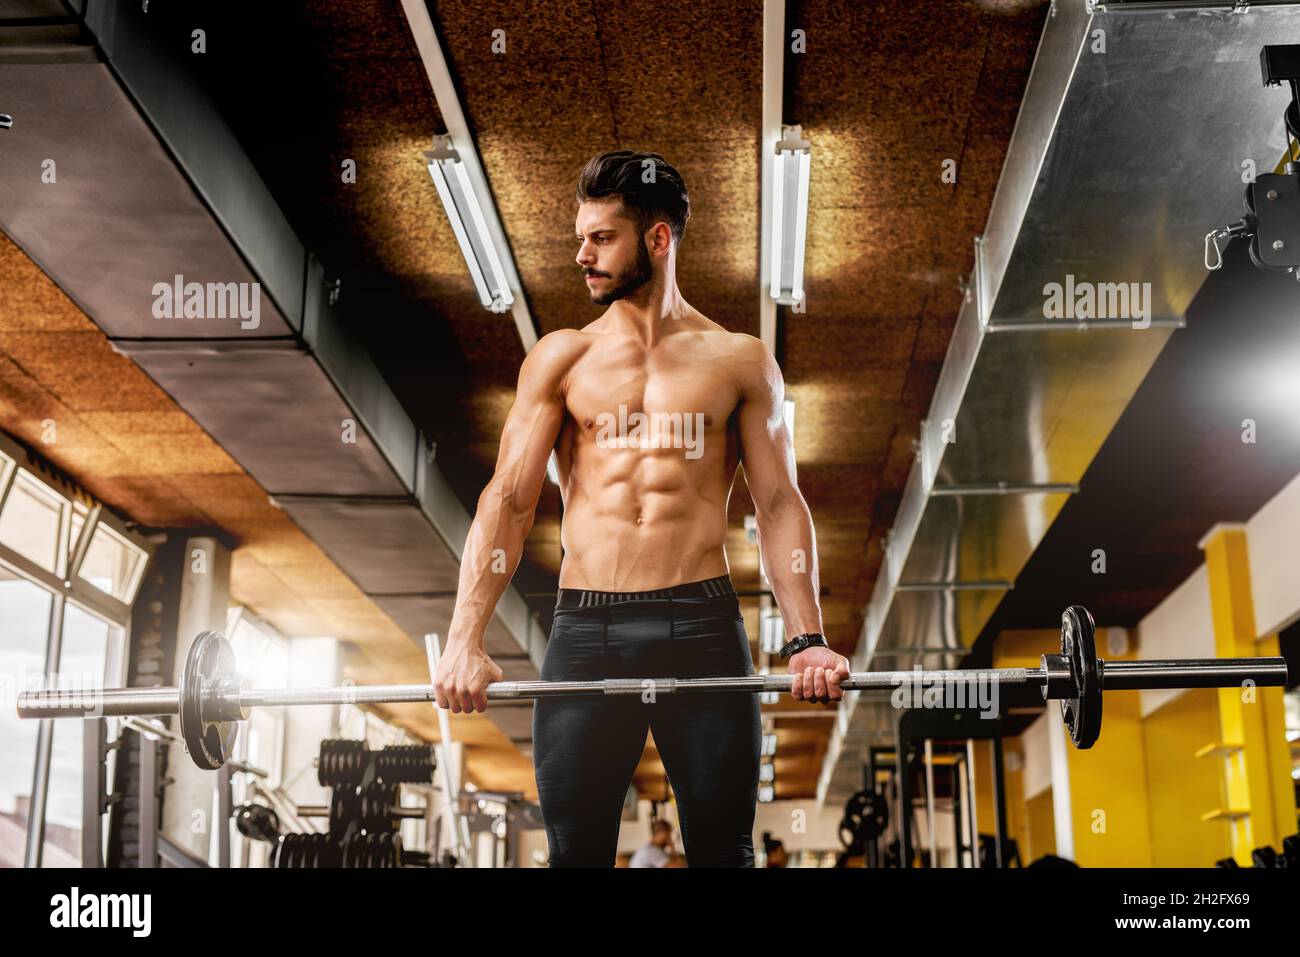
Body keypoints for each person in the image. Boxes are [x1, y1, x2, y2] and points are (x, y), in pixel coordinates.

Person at [434, 149, 850, 867]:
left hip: (702, 621)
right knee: (576, 854)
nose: (581, 254)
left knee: (725, 852)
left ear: (657, 240)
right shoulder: (560, 360)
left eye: (601, 238)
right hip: (586, 624)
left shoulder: (739, 360)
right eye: (582, 236)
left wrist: (805, 637)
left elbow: (780, 501)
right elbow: (507, 500)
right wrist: (463, 638)